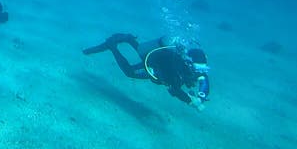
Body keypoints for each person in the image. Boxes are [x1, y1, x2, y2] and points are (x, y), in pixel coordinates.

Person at [82, 34, 210, 110]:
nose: (199, 72)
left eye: (202, 69)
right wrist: (190, 100)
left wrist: (201, 97)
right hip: (155, 65)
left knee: (141, 52)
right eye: (197, 68)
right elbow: (176, 90)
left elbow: (204, 82)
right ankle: (113, 47)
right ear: (188, 63)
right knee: (130, 72)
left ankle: (128, 38)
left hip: (158, 61)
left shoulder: (195, 70)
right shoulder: (176, 69)